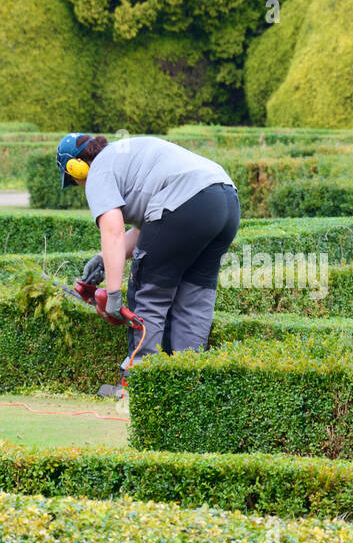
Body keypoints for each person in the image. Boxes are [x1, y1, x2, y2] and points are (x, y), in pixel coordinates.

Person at [57, 133, 241, 392]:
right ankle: (187, 385)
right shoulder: (126, 156)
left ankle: (137, 386)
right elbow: (157, 232)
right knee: (195, 298)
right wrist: (101, 260)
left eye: (73, 179)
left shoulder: (98, 171)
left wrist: (112, 295)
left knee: (148, 292)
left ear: (77, 166)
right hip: (225, 201)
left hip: (185, 205)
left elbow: (113, 231)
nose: (78, 185)